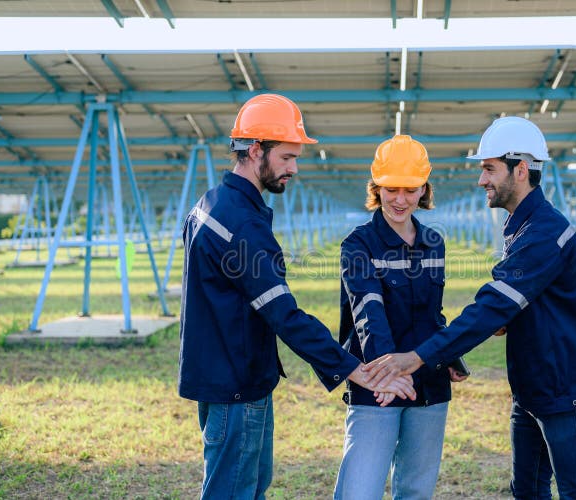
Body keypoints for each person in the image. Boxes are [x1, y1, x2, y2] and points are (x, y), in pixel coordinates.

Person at [177, 94, 415, 500]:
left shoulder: (208, 205)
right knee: (235, 492)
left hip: (224, 376)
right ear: (255, 151)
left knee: (247, 487)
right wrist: (353, 368)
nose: (294, 168)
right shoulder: (242, 226)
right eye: (287, 157)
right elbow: (285, 315)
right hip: (237, 384)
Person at [364, 117, 576, 499]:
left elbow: (492, 306)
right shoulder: (521, 226)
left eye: (489, 169)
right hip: (532, 392)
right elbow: (512, 302)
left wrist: (419, 357)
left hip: (567, 394)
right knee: (526, 491)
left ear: (521, 169)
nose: (482, 180)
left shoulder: (544, 233)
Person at [332, 135, 468, 500]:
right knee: (359, 492)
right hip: (376, 386)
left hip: (428, 384)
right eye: (391, 189)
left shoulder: (434, 243)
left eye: (410, 189)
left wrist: (450, 356)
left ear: (424, 188)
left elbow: (432, 313)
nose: (400, 199)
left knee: (415, 492)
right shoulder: (358, 244)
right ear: (376, 187)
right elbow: (367, 311)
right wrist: (388, 375)